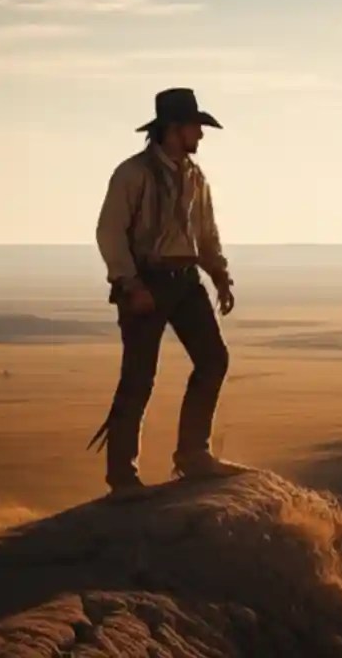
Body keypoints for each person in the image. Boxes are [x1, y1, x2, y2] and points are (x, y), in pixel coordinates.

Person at [88, 87, 245, 497]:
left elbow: (206, 233)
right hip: (144, 281)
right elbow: (109, 233)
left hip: (185, 280)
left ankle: (193, 454)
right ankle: (122, 477)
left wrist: (220, 275)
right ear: (174, 130)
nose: (201, 136)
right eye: (196, 127)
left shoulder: (195, 177)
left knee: (214, 359)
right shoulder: (132, 174)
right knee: (139, 378)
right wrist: (129, 283)